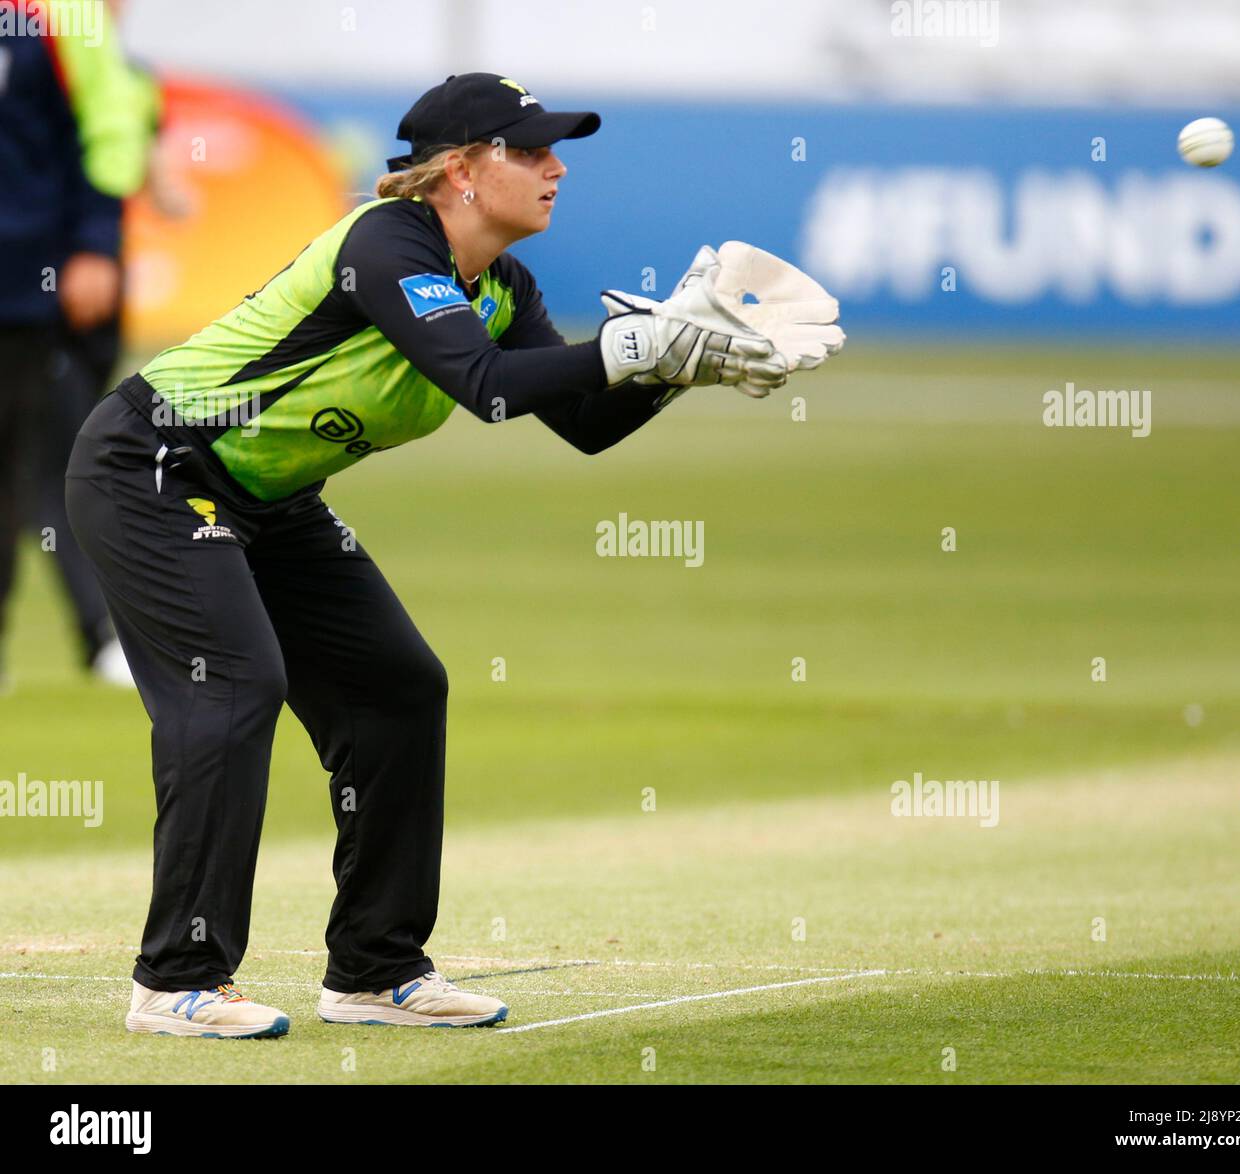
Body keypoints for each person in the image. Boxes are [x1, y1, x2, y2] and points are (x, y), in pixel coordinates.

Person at [65, 72, 793, 1038]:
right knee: (233, 686)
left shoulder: (502, 285)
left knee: (398, 688)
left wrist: (668, 365)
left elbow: (580, 424)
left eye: (554, 150)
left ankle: (374, 970)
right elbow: (483, 385)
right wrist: (633, 343)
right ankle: (177, 980)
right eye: (529, 150)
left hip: (269, 496)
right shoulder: (387, 243)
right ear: (460, 170)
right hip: (153, 465)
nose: (555, 167)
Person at [0, 0, 154, 691]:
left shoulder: (59, 22)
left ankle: (100, 634)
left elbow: (105, 132)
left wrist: (96, 243)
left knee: (42, 462)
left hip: (24, 289)